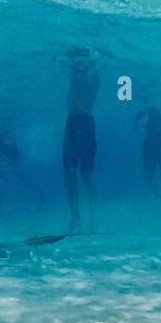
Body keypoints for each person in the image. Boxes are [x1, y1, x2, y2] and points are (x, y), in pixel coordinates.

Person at [62, 49, 101, 230]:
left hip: (84, 125)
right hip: (74, 125)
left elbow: (95, 71)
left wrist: (90, 62)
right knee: (71, 174)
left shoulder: (92, 77)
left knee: (85, 175)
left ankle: (92, 217)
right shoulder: (77, 74)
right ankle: (75, 217)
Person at [134, 106, 161, 213]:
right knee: (152, 178)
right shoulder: (152, 115)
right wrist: (135, 123)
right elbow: (141, 113)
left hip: (160, 145)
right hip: (153, 145)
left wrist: (136, 124)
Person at [0, 128, 44, 213]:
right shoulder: (4, 149)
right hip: (12, 160)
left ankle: (40, 196)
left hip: (13, 160)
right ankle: (40, 195)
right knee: (21, 182)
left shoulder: (4, 149)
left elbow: (14, 156)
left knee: (22, 182)